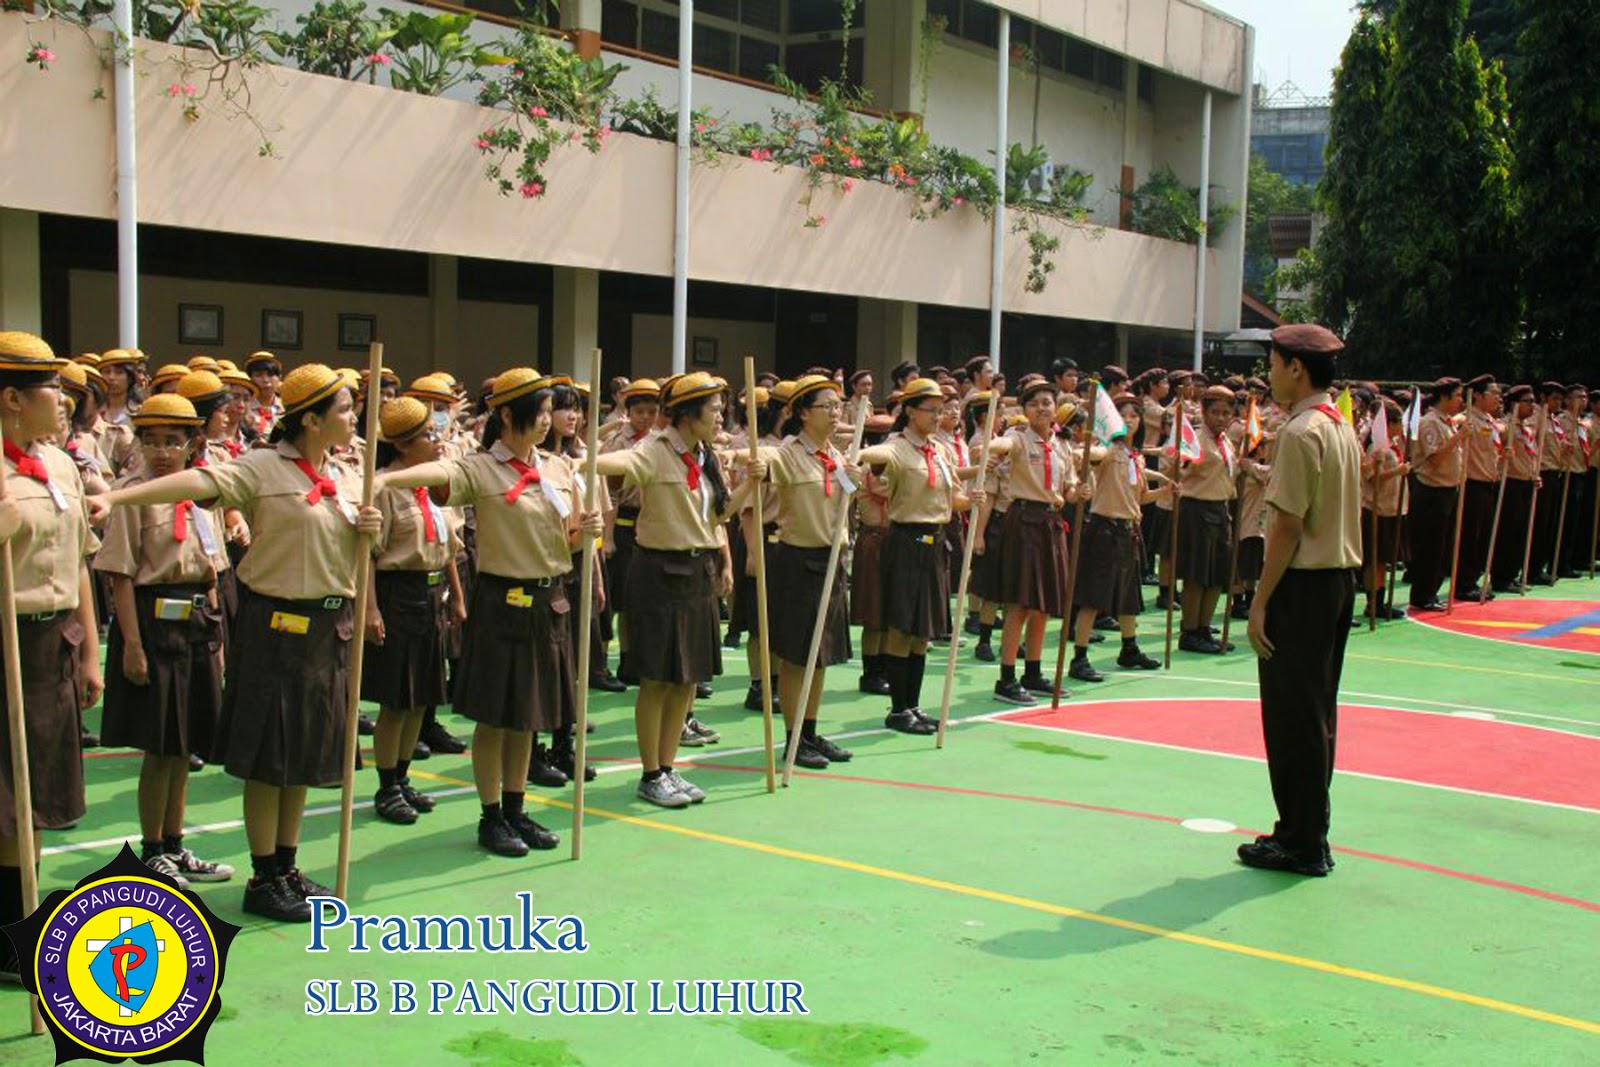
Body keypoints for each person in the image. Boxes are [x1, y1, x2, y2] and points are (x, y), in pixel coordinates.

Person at [91, 363, 382, 922]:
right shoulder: (262, 469)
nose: (353, 418)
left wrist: (367, 528)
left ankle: (288, 866)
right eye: (344, 409)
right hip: (277, 627)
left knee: (301, 756)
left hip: (328, 628)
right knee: (271, 754)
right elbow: (198, 484)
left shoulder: (347, 474)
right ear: (312, 418)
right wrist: (120, 500)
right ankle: (264, 873)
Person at [375, 369, 600, 852]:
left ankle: (517, 810)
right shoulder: (480, 469)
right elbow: (439, 476)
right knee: (496, 718)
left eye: (547, 414)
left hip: (550, 600)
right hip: (503, 602)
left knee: (528, 716)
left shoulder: (558, 471)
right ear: (505, 416)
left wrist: (588, 531)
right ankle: (491, 815)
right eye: (538, 414)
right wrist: (385, 481)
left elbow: (569, 542)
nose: (546, 422)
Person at [594, 373, 765, 807]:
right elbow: (619, 467)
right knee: (657, 679)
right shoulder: (653, 451)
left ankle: (668, 769)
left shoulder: (704, 454)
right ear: (688, 414)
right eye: (713, 409)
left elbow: (720, 514)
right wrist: (591, 460)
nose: (720, 416)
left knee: (686, 678)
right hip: (659, 572)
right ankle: (650, 773)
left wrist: (750, 481)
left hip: (698, 571)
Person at [93, 393, 234, 887]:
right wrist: (131, 644)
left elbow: (212, 563)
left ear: (191, 443)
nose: (161, 452)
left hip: (196, 625)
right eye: (150, 441)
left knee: (184, 742)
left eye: (172, 442)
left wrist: (216, 628)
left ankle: (176, 844)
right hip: (153, 625)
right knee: (158, 747)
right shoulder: (133, 494)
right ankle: (151, 848)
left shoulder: (201, 493)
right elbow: (121, 575)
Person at [0, 333, 104, 978]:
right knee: (6, 793)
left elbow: (80, 564)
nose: (65, 401)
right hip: (4, 639)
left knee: (35, 790)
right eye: (50, 390)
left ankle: (20, 920)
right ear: (11, 399)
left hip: (51, 641)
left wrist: (90, 650)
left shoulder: (60, 465)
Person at [1241, 324, 1361, 877]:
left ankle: (1300, 841)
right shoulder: (1339, 427)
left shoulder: (1299, 431)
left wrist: (1261, 600)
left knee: (1292, 717)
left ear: (1296, 368)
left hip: (1304, 583)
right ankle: (1310, 831)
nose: (1268, 375)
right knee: (1317, 714)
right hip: (1338, 581)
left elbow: (1285, 527)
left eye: (1273, 364)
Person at [857, 379, 984, 735]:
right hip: (906, 541)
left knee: (922, 632)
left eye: (940, 409)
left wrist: (969, 500)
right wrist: (864, 454)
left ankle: (913, 704)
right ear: (910, 411)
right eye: (930, 409)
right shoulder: (896, 448)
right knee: (901, 627)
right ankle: (898, 709)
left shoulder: (940, 450)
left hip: (936, 541)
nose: (937, 415)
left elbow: (950, 497)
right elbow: (876, 462)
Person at [362, 397, 463, 825]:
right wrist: (370, 608)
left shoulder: (435, 485)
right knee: (396, 701)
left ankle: (403, 778)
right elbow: (366, 554)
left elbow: (450, 549)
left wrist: (457, 596)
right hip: (397, 594)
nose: (436, 440)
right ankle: (386, 786)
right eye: (427, 434)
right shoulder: (383, 486)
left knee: (421, 696)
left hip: (432, 594)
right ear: (403, 444)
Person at [753, 375, 858, 767]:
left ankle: (810, 731)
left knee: (822, 654)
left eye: (838, 406)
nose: (836, 413)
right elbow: (761, 464)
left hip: (835, 560)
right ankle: (793, 737)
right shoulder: (788, 453)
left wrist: (854, 481)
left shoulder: (836, 454)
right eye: (827, 407)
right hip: (799, 561)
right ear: (801, 413)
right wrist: (746, 461)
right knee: (798, 656)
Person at [1067, 393, 1168, 680]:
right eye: (1123, 415)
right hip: (1104, 529)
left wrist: (1165, 490)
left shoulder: (1135, 456)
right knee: (1093, 597)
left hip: (1128, 531)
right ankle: (1079, 657)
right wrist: (1080, 452)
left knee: (1129, 596)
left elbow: (1141, 497)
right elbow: (1087, 456)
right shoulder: (1109, 450)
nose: (1129, 420)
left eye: (1134, 415)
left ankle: (1129, 649)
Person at [991, 380, 1079, 705]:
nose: (1042, 408)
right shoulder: (1017, 438)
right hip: (1024, 520)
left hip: (1052, 523)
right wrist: (988, 451)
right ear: (1025, 411)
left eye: (1047, 402)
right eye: (1035, 403)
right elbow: (999, 446)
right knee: (1020, 603)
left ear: (1056, 408)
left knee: (1044, 605)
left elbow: (1067, 490)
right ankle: (1007, 677)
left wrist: (1077, 493)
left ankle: (1033, 671)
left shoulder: (1061, 446)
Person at [602, 378, 661, 688]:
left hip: (648, 522)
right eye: (640, 411)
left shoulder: (659, 442)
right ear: (629, 411)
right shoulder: (616, 443)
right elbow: (609, 493)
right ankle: (602, 660)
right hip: (623, 523)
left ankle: (631, 658)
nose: (646, 418)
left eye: (652, 411)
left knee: (639, 599)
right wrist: (608, 536)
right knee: (616, 598)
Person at [1176, 386, 1240, 654]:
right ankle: (1189, 631)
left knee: (1215, 576)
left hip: (1220, 509)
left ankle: (1204, 628)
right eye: (1215, 412)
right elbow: (1179, 468)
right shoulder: (1196, 440)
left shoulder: (1225, 441)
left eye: (1226, 413)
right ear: (1203, 412)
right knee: (1196, 575)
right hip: (1197, 510)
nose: (1221, 417)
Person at [1406, 378, 1464, 611]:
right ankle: (1422, 595)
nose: (1460, 400)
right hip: (1431, 491)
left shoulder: (1447, 422)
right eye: (1458, 395)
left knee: (1443, 547)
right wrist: (1458, 437)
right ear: (1444, 396)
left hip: (1448, 489)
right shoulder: (1430, 423)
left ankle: (1430, 591)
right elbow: (1436, 458)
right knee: (1429, 546)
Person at [1358, 398, 1409, 620]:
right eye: (1399, 423)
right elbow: (1371, 477)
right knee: (1374, 558)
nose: (1402, 428)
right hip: (1376, 508)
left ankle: (1381, 600)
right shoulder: (1376, 448)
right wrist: (1398, 471)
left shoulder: (1394, 445)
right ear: (1390, 424)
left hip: (1391, 508)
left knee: (1383, 560)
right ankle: (1373, 601)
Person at [1454, 376, 1502, 601]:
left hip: (1488, 482)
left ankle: (1472, 580)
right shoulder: (1464, 420)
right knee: (1469, 538)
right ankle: (1463, 584)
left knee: (1482, 537)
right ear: (1479, 396)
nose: (1499, 397)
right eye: (1494, 393)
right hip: (1472, 484)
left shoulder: (1490, 420)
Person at [1490, 385, 1539, 592]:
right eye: (1528, 401)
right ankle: (1501, 577)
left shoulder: (1527, 428)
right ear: (1515, 404)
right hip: (1509, 482)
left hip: (1526, 482)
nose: (1532, 405)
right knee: (1507, 532)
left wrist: (1535, 475)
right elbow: (1494, 450)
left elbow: (1532, 455)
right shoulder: (1504, 426)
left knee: (1521, 532)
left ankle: (1512, 573)